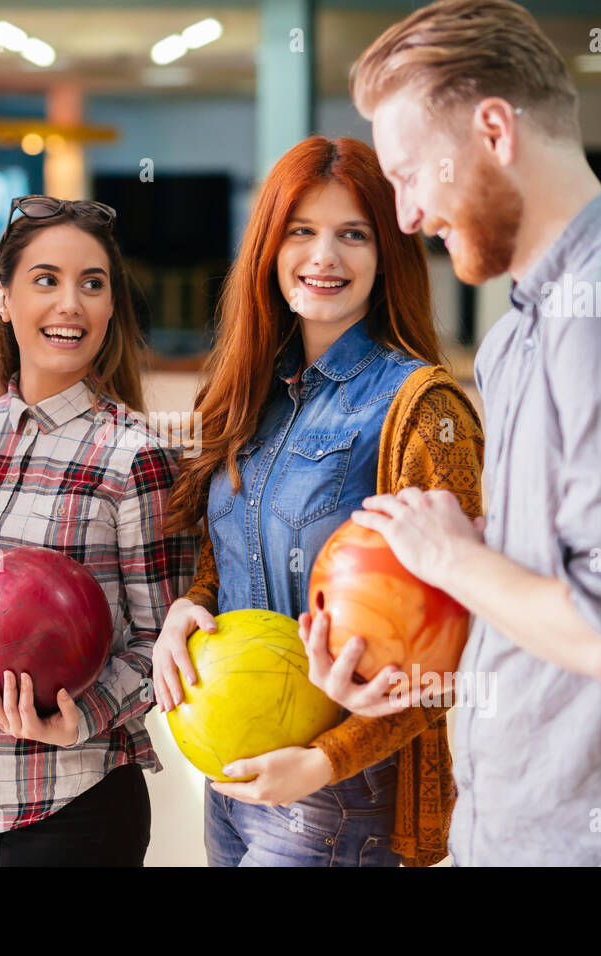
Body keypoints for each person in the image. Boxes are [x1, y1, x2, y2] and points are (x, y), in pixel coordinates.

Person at [345, 0, 601, 865]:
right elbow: (545, 598)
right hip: (513, 829)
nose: (406, 216)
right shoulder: (516, 335)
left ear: (493, 130)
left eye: (412, 174)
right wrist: (397, 654)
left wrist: (452, 557)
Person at [154, 136, 484, 867]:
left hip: (343, 795)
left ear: (388, 252)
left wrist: (326, 761)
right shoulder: (248, 390)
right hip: (229, 772)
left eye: (353, 234)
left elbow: (450, 649)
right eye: (301, 231)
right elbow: (225, 548)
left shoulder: (420, 407)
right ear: (269, 247)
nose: (323, 256)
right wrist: (190, 604)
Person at [0, 196, 195, 867]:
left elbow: (161, 644)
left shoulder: (136, 457)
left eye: (93, 284)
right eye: (46, 280)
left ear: (112, 308)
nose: (71, 305)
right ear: (1, 297)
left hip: (74, 799)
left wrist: (78, 719)